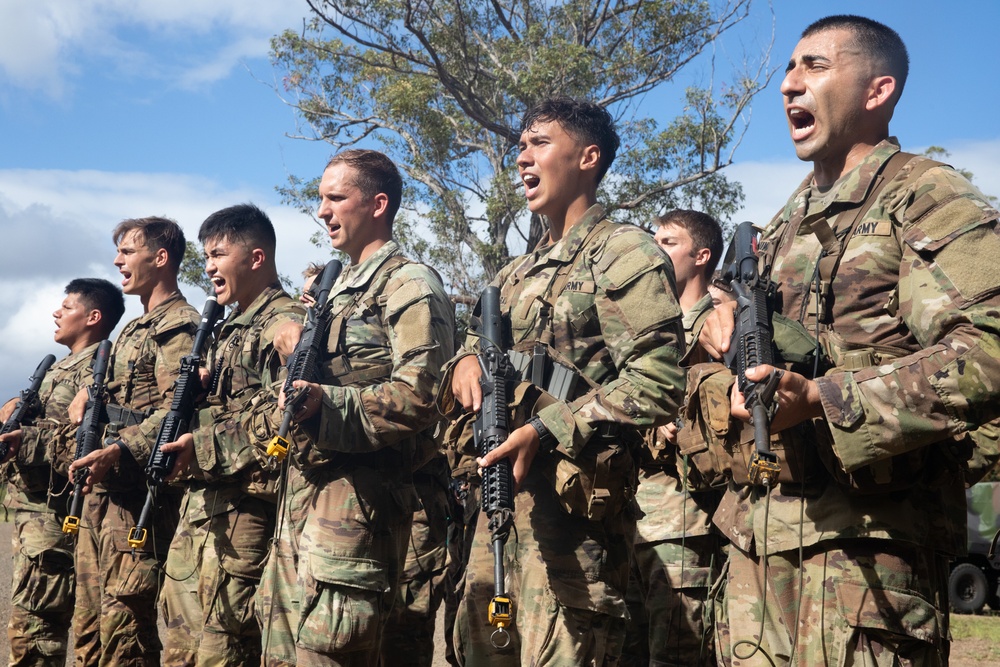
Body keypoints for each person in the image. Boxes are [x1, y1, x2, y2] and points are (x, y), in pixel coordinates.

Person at [696, 15, 1000, 665]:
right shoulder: (780, 224)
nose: (787, 85)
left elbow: (988, 348)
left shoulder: (926, 194)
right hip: (759, 550)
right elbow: (718, 305)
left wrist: (829, 398)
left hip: (868, 561)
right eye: (787, 69)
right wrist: (712, 317)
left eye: (814, 66)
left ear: (877, 90)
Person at [442, 97, 685, 665]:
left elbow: (659, 378)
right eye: (519, 146)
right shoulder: (513, 274)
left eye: (539, 144)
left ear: (588, 157)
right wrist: (464, 363)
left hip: (577, 524)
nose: (521, 156)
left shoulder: (623, 251)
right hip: (500, 514)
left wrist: (546, 430)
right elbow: (480, 353)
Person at [252, 148, 454, 666]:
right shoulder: (330, 293)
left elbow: (424, 394)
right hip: (297, 509)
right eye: (321, 198)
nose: (322, 211)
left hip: (357, 518)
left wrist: (328, 404)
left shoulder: (409, 284)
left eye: (335, 198)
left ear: (378, 204)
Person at [157, 204, 304, 665]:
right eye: (205, 256)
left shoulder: (285, 323)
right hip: (203, 507)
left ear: (256, 258)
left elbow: (282, 420)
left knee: (226, 647)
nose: (209, 267)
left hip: (247, 511)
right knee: (181, 647)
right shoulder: (228, 328)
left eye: (218, 254)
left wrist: (200, 445)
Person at [66, 217, 200, 667]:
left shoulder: (179, 326)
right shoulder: (133, 329)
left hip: (140, 499)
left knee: (126, 631)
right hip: (105, 499)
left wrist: (121, 449)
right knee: (90, 631)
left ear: (160, 259)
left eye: (127, 251)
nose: (117, 261)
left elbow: (175, 412)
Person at [0, 278, 124, 666]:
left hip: (54, 518)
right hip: (32, 516)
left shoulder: (103, 368)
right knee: (26, 632)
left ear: (93, 317)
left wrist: (27, 439)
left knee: (35, 636)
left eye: (66, 307)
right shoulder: (60, 367)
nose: (56, 312)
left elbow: (83, 439)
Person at [622, 210, 726, 667]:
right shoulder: (640, 328)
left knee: (677, 656)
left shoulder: (725, 324)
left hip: (685, 520)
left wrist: (681, 417)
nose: (654, 250)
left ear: (701, 257)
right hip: (627, 517)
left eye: (667, 242)